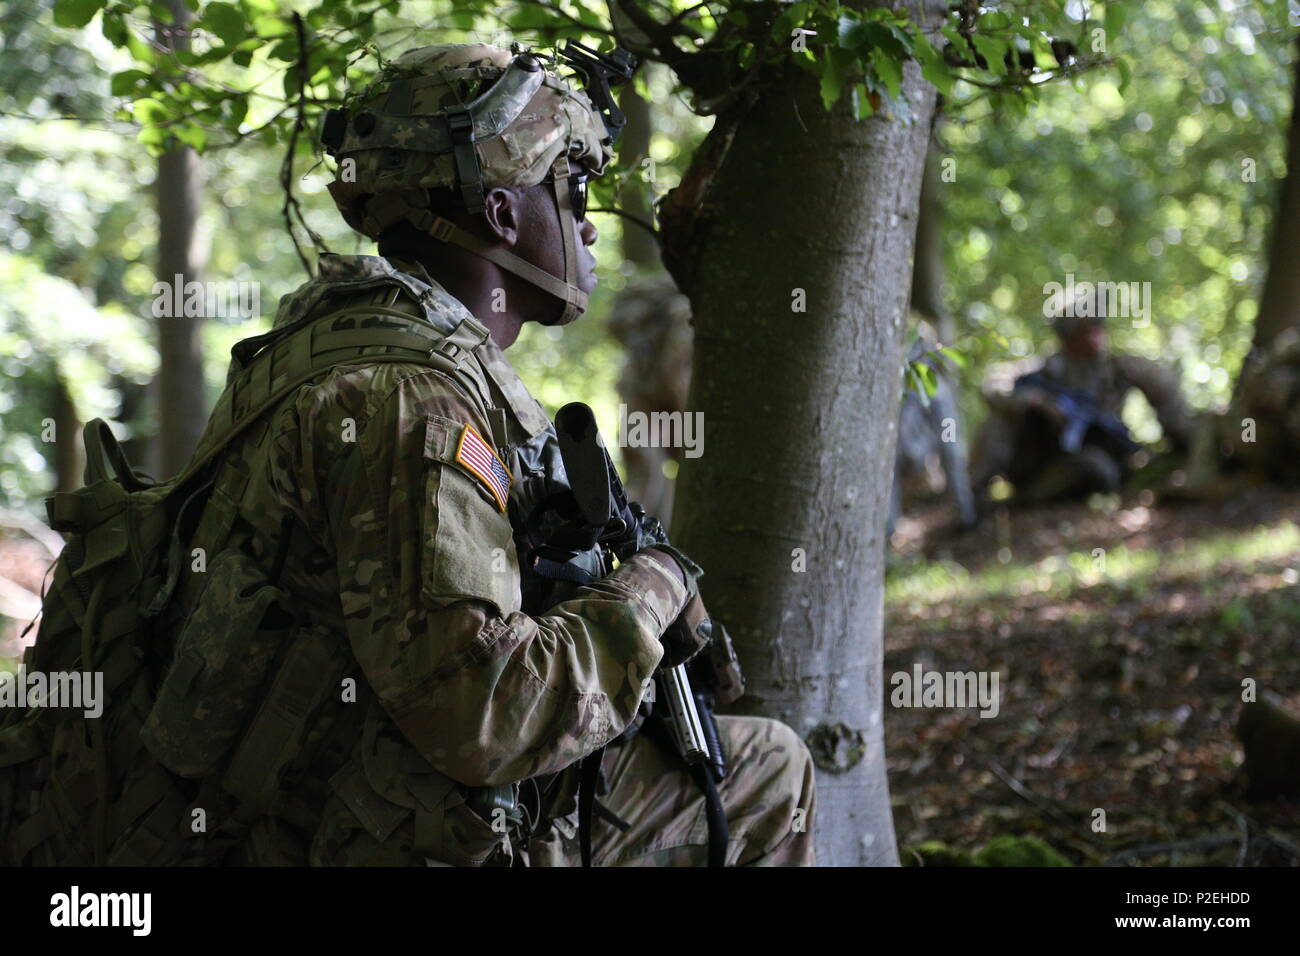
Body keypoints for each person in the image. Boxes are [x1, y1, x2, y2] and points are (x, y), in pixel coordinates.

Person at [164, 43, 814, 867]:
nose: (586, 224)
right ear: (503, 214)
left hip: (296, 801)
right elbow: (483, 715)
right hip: (342, 830)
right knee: (770, 770)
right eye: (572, 189)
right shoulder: (414, 404)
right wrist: (653, 587)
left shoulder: (311, 350)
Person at [970, 310, 1193, 504]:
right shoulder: (1045, 368)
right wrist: (1036, 402)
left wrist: (1186, 438)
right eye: (1087, 326)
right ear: (1067, 335)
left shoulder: (1117, 367)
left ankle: (1028, 499)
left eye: (1099, 324)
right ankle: (971, 495)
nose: (1096, 331)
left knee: (1096, 467)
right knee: (996, 422)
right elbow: (994, 385)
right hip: (1040, 458)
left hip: (1092, 458)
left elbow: (1164, 385)